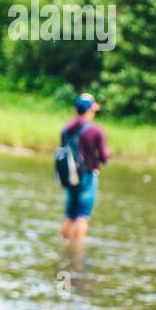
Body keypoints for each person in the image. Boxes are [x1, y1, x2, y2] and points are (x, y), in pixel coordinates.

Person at [60, 92, 111, 244]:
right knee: (82, 216)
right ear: (89, 110)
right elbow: (103, 157)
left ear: (76, 110)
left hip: (70, 177)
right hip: (88, 176)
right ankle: (76, 249)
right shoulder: (96, 131)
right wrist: (107, 157)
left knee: (69, 215)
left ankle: (64, 245)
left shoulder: (66, 129)